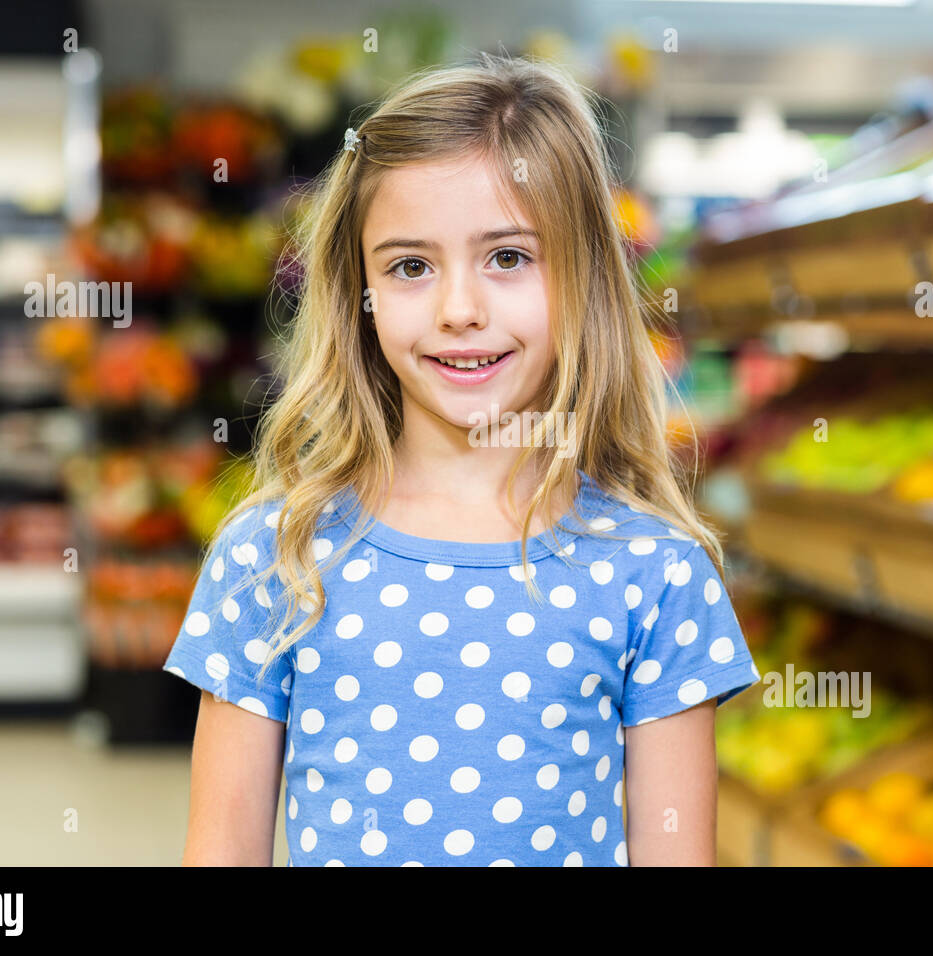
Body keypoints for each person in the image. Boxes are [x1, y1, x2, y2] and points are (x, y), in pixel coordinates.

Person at [163, 51, 759, 867]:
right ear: (358, 294)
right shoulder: (272, 558)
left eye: (508, 257)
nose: (459, 310)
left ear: (582, 277)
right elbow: (221, 852)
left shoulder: (654, 571)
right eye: (410, 266)